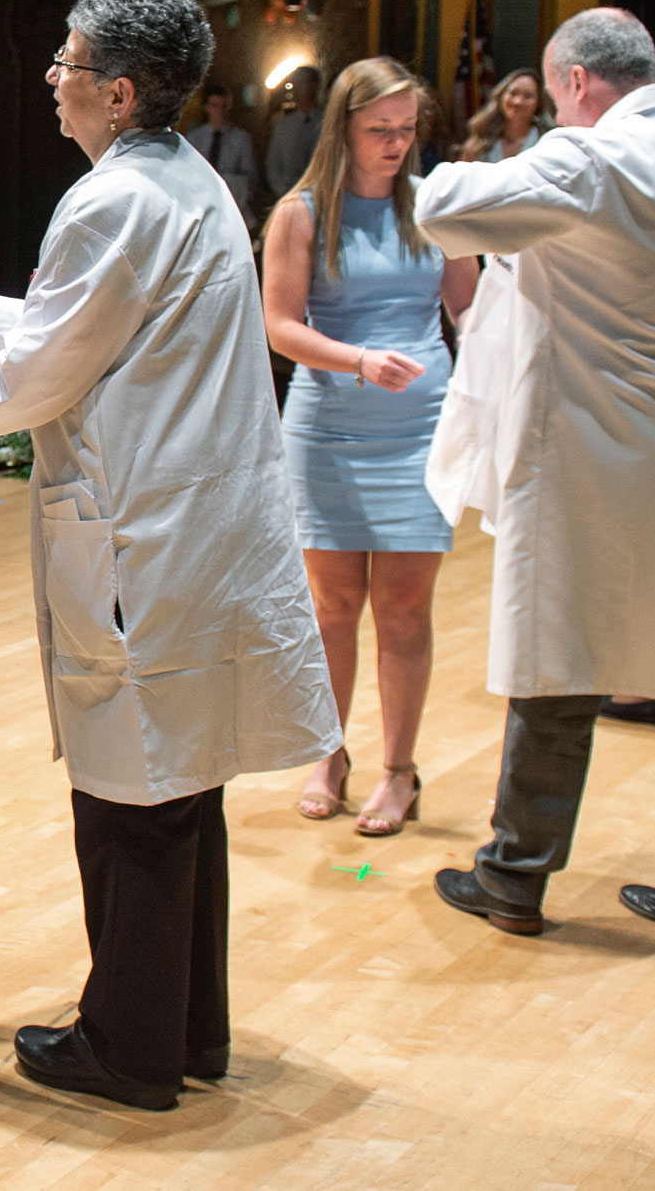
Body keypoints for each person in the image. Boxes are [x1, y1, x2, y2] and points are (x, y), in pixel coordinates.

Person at [0, 0, 340, 1111]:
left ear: (117, 92)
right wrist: (2, 314)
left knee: (130, 802)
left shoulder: (108, 203)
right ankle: (187, 1030)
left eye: (65, 64)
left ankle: (124, 1049)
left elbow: (42, 384)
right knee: (183, 792)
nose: (50, 80)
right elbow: (111, 338)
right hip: (194, 529)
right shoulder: (190, 183)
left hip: (142, 540)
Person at [414, 7, 655, 953]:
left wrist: (531, 165)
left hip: (590, 450)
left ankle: (514, 873)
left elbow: (444, 205)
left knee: (558, 652)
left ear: (576, 83)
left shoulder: (591, 163)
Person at [261, 56, 478, 836]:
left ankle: (399, 770)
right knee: (332, 606)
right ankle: (330, 753)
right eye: (379, 130)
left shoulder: (436, 207)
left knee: (406, 608)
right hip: (327, 430)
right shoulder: (301, 211)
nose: (395, 144)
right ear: (344, 129)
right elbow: (278, 325)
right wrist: (357, 359)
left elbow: (472, 310)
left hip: (421, 432)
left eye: (407, 130)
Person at [184, 83, 259, 229]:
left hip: (231, 205)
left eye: (224, 105)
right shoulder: (194, 138)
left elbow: (250, 178)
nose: (219, 110)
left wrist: (224, 182)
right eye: (214, 105)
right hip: (200, 205)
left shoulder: (241, 139)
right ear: (206, 107)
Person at [458, 67, 549, 163]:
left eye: (528, 96)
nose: (517, 102)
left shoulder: (546, 142)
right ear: (501, 95)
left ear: (539, 102)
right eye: (513, 93)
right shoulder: (477, 144)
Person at [266, 65, 323, 196]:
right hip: (290, 193)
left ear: (315, 87)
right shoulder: (283, 126)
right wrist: (283, 191)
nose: (295, 89)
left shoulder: (327, 123)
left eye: (301, 83)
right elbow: (273, 164)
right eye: (294, 84)